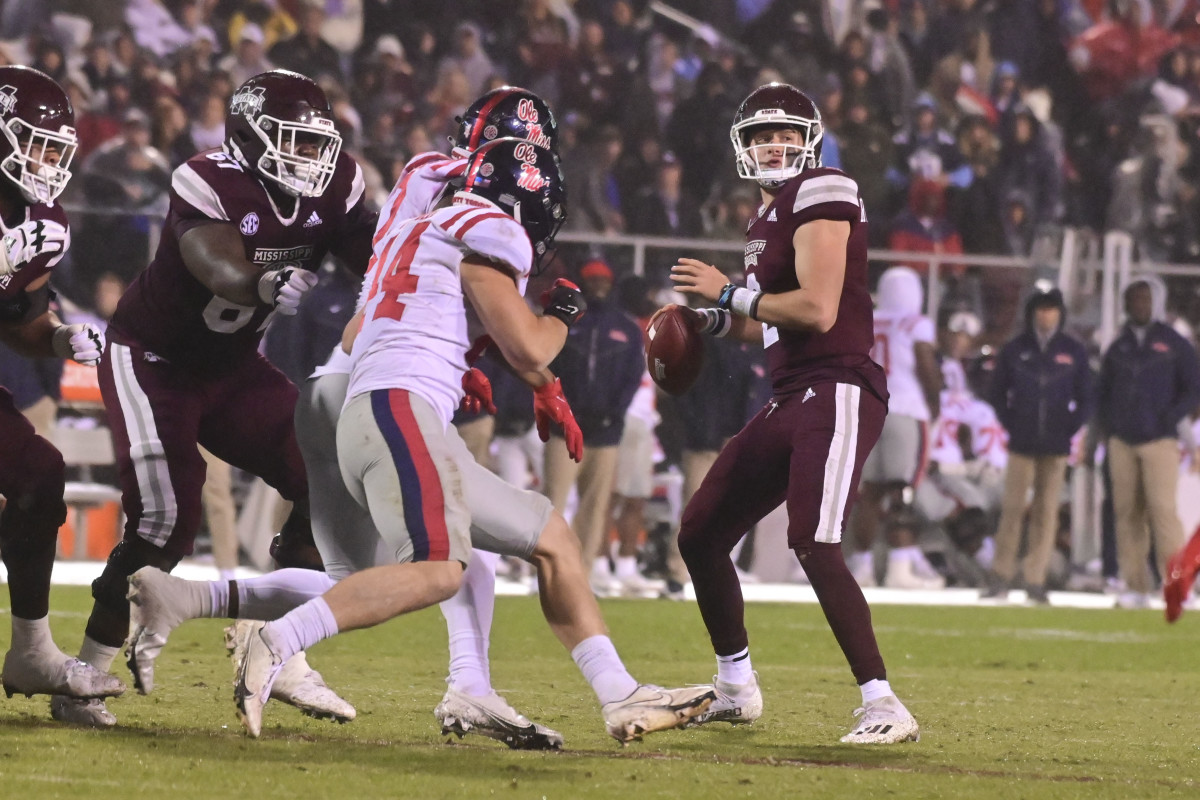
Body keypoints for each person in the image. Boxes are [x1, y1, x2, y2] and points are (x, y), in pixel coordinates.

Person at [222, 137, 712, 741]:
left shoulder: (412, 230)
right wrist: (564, 312)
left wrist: (461, 364)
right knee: (434, 571)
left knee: (549, 537)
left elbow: (366, 329)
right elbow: (530, 346)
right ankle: (276, 636)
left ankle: (618, 695)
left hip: (386, 405)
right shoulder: (485, 228)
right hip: (397, 409)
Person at [55, 70, 377, 728]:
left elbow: (374, 255)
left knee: (329, 473)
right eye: (294, 141)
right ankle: (86, 672)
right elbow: (217, 261)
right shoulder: (207, 179)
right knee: (164, 520)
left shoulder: (338, 184)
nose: (312, 158)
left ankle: (278, 647)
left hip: (233, 367)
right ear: (251, 138)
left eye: (318, 143)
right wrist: (263, 286)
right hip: (154, 359)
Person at [670, 82, 919, 744]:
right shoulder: (764, 220)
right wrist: (712, 321)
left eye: (784, 132)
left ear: (809, 143)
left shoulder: (823, 190)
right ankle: (734, 687)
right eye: (759, 134)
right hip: (791, 394)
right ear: (741, 147)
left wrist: (726, 292)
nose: (772, 143)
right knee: (699, 532)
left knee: (814, 537)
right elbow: (771, 326)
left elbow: (816, 310)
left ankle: (883, 702)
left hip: (838, 385)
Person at [0, 65, 124, 705]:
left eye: (56, 150)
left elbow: (19, 315)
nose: (47, 163)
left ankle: (31, 651)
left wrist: (57, 335)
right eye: (36, 143)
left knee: (39, 473)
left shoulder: (40, 217)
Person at [983, 284, 1092, 603]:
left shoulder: (1073, 350)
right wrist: (1011, 422)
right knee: (1013, 509)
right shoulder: (1015, 349)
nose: (1045, 315)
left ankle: (1035, 577)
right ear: (1032, 313)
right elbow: (997, 392)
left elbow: (1086, 396)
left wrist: (1070, 428)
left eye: (1051, 309)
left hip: (1056, 444)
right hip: (1022, 441)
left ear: (1060, 313)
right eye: (1041, 309)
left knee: (1047, 513)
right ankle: (1001, 575)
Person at [1097, 276, 1200, 609]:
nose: (1139, 304)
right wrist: (1106, 430)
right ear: (1126, 304)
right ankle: (1135, 586)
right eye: (1134, 299)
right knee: (1127, 514)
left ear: (1155, 303)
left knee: (1163, 513)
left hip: (1159, 441)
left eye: (1145, 299)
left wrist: (1170, 417)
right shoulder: (1118, 345)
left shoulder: (1173, 343)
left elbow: (1193, 387)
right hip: (1122, 440)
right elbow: (1103, 392)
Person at [848, 266, 944, 590]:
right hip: (904, 408)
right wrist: (934, 403)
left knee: (870, 492)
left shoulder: (867, 320)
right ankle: (900, 567)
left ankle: (861, 567)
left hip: (868, 407)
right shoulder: (916, 324)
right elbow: (926, 366)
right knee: (903, 489)